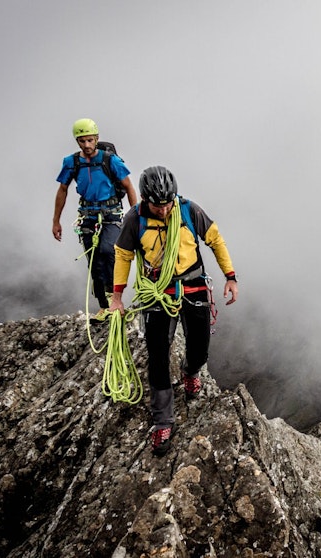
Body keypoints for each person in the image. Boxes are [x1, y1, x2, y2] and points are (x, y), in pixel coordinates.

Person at [108, 165, 238, 456]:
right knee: (157, 355)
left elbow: (215, 240)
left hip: (192, 286)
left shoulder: (189, 211)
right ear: (145, 199)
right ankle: (163, 420)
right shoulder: (135, 219)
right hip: (157, 291)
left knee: (200, 347)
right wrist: (117, 297)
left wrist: (230, 276)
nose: (164, 211)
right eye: (157, 205)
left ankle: (191, 371)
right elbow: (123, 255)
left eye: (167, 204)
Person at [52, 118, 137, 319]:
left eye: (90, 140)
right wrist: (56, 220)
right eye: (82, 141)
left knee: (109, 250)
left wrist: (136, 217)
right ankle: (103, 305)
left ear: (97, 139)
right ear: (77, 141)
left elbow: (128, 186)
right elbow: (62, 189)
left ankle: (114, 298)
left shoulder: (110, 161)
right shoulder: (71, 163)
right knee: (94, 259)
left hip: (111, 213)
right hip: (88, 215)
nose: (87, 145)